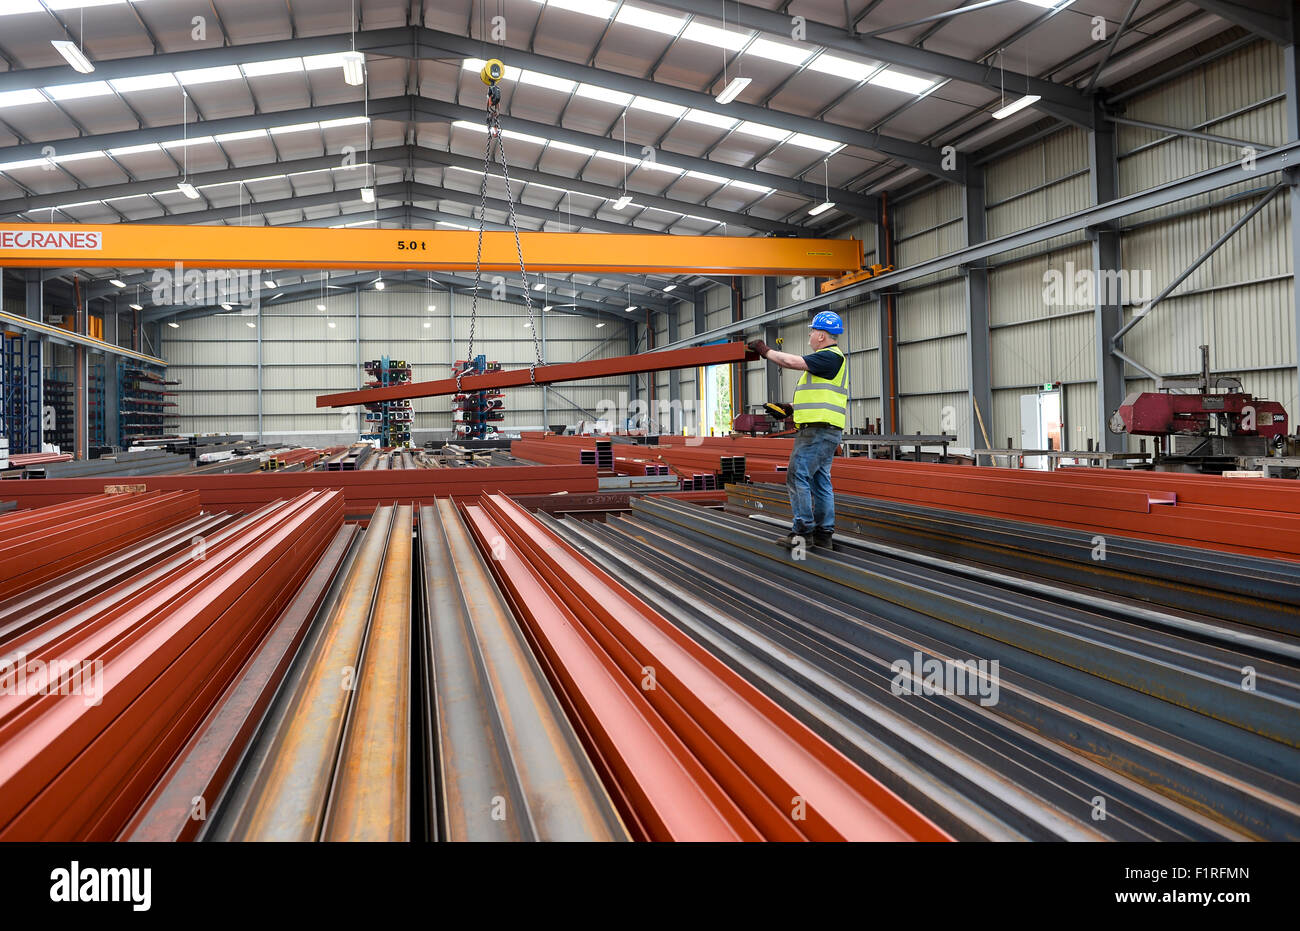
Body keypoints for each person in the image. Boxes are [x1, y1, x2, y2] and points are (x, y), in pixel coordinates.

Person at [747, 311, 847, 551]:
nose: (810, 336)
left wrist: (765, 350)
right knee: (820, 481)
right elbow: (820, 396)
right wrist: (789, 409)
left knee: (796, 475)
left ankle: (802, 532)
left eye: (812, 331)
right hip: (824, 430)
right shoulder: (828, 362)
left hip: (817, 432)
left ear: (822, 336)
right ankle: (824, 534)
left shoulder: (829, 357)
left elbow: (790, 362)